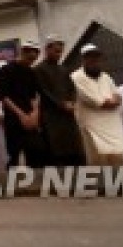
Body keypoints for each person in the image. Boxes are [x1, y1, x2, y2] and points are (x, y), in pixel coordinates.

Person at [70, 45, 123, 165]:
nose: (93, 60)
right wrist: (109, 102)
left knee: (119, 159)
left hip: (112, 126)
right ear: (84, 59)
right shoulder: (76, 77)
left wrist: (114, 101)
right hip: (91, 127)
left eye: (96, 57)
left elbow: (118, 96)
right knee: (98, 162)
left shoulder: (106, 77)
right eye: (90, 57)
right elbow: (92, 100)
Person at [34, 36, 84, 166]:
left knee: (74, 148)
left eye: (60, 51)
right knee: (56, 150)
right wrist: (61, 104)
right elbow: (44, 91)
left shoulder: (63, 69)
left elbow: (71, 88)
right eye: (56, 51)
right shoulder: (39, 69)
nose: (59, 54)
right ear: (47, 49)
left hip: (67, 114)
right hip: (50, 116)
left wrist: (71, 102)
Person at [0, 40, 46, 168]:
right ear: (23, 52)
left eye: (34, 59)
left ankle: (36, 185)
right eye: (29, 58)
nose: (31, 61)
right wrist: (21, 116)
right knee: (14, 156)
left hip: (31, 119)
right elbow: (4, 97)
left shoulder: (31, 72)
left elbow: (34, 96)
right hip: (13, 119)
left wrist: (35, 114)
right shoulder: (5, 70)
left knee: (37, 153)